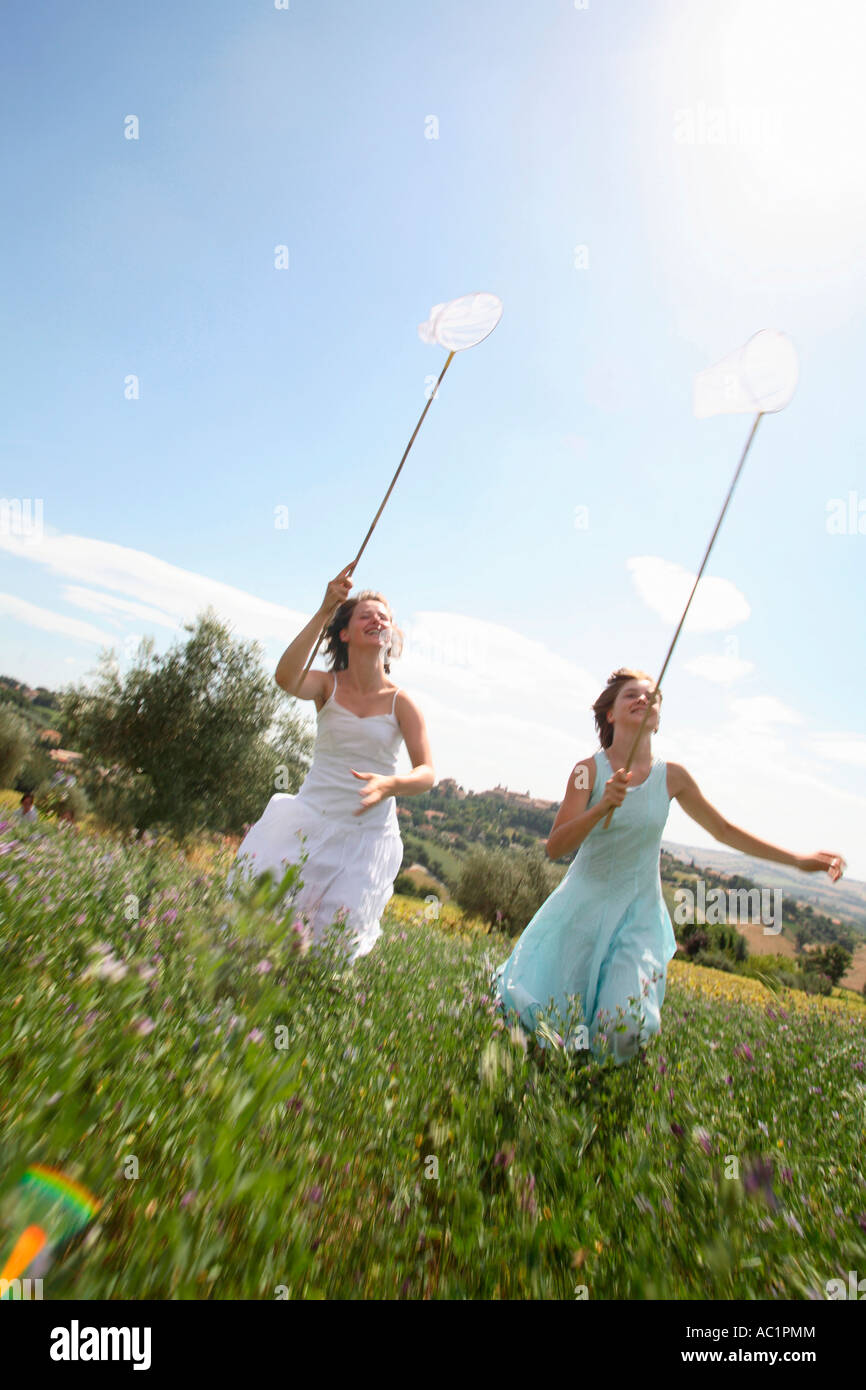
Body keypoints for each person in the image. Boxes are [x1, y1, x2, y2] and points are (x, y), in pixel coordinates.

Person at [494, 668, 846, 1066]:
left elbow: (724, 830)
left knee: (621, 1027)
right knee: (558, 1029)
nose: (644, 699)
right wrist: (601, 807)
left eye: (652, 696)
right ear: (610, 713)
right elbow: (556, 846)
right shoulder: (586, 771)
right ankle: (565, 1083)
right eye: (631, 695)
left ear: (658, 719)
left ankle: (608, 1080)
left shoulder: (672, 777)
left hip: (638, 915)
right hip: (581, 910)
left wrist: (798, 861)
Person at [231, 564, 435, 963]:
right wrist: (325, 609)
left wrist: (390, 785)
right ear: (345, 633)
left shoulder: (402, 702)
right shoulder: (327, 685)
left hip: (367, 837)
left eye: (385, 617)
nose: (378, 620)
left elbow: (427, 773)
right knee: (265, 931)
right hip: (309, 822)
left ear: (390, 634)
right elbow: (286, 678)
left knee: (331, 949)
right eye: (367, 615)